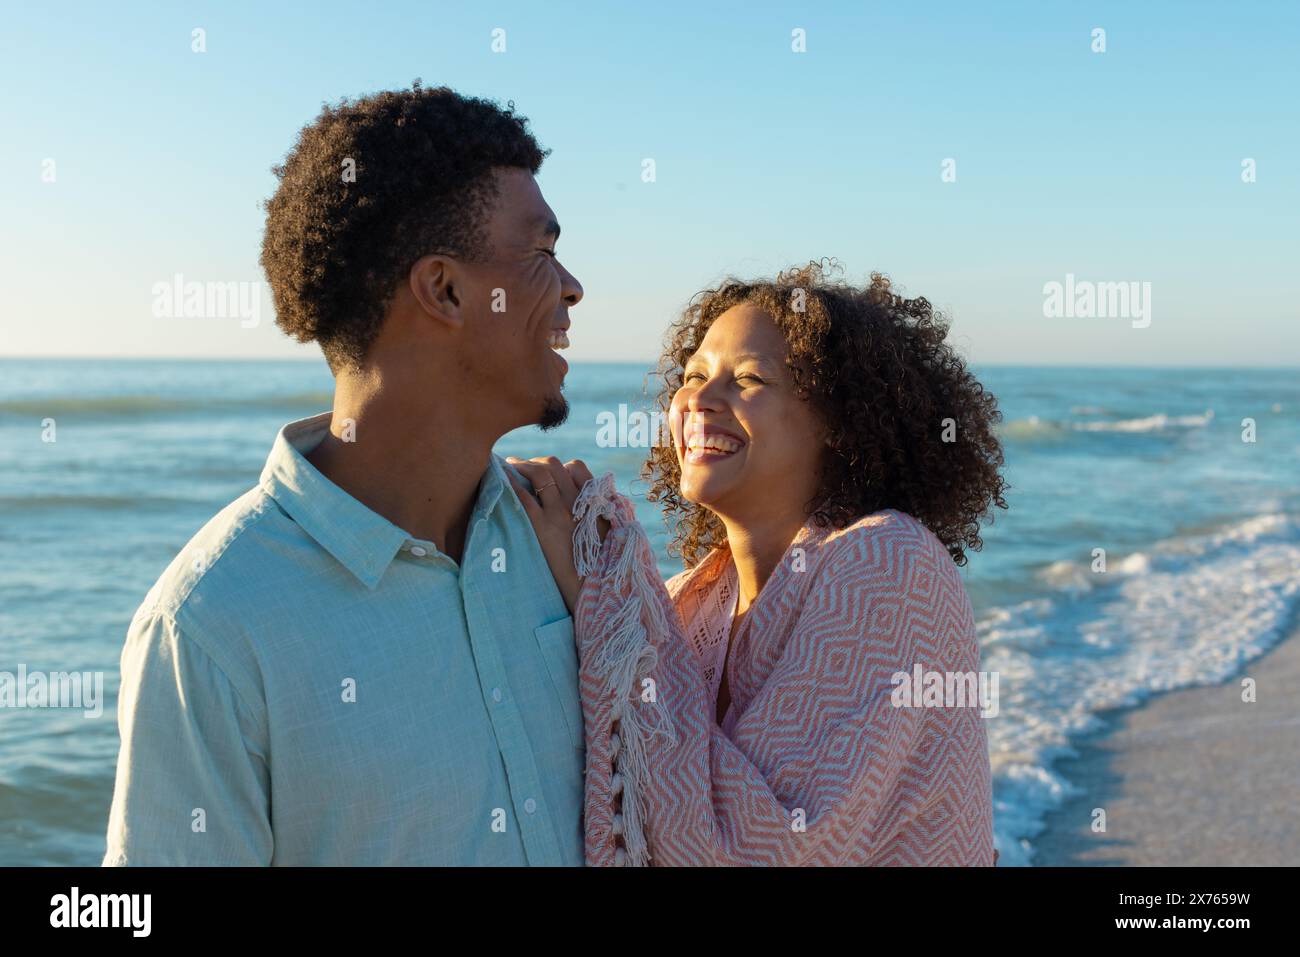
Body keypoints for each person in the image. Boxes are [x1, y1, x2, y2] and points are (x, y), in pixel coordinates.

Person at [103, 84, 588, 865]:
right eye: (541, 252)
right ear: (444, 289)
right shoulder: (211, 629)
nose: (571, 286)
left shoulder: (562, 538)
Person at [510, 263, 1007, 865]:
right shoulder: (691, 601)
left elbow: (764, 848)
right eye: (693, 375)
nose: (698, 399)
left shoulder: (890, 563)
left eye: (748, 379)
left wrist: (603, 572)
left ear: (839, 423)